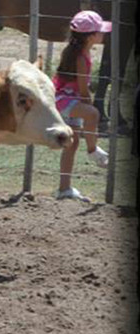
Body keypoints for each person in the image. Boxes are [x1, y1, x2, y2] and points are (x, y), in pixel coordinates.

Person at [53, 10, 112, 202]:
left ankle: (64, 188)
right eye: (100, 31)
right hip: (66, 99)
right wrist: (89, 103)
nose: (103, 34)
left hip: (69, 99)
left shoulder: (79, 53)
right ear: (91, 36)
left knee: (72, 143)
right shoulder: (81, 58)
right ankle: (93, 150)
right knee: (93, 114)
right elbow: (83, 89)